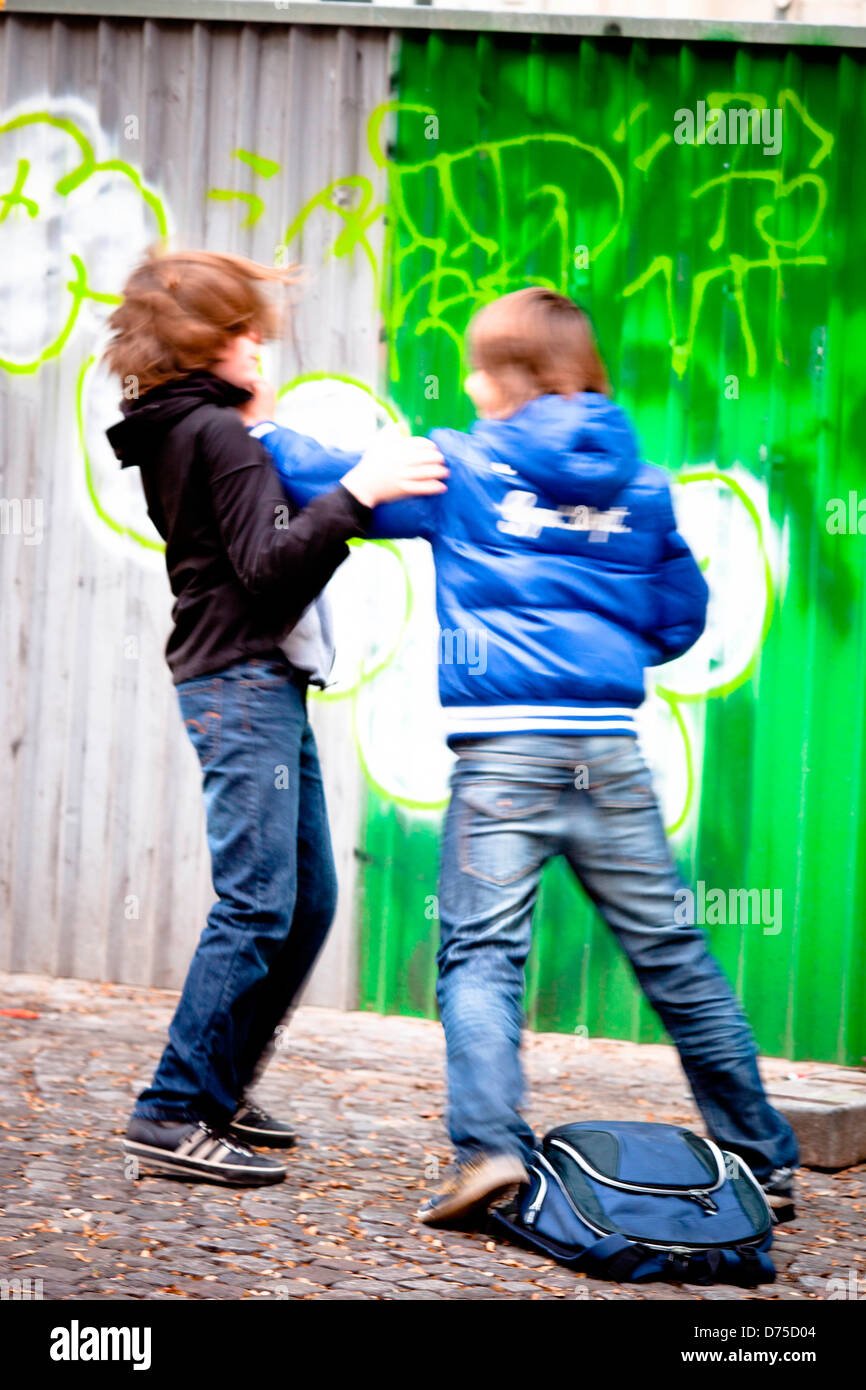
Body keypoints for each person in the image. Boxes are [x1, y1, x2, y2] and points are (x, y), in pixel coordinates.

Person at [248, 287, 799, 1223]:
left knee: (483, 955)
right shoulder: (646, 486)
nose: (465, 382)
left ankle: (493, 1152)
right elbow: (679, 619)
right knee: (674, 956)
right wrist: (599, 635)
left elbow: (337, 476)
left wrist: (261, 435)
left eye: (477, 365)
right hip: (609, 753)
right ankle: (760, 1158)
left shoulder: (461, 467)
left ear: (513, 378)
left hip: (503, 754)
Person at [105, 247, 446, 1185]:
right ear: (209, 343)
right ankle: (171, 1109)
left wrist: (301, 474)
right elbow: (268, 570)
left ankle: (216, 1086)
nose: (262, 343)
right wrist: (359, 494)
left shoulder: (188, 428)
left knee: (309, 900)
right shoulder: (217, 437)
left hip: (249, 681)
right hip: (241, 680)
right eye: (247, 331)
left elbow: (250, 550)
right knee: (258, 902)